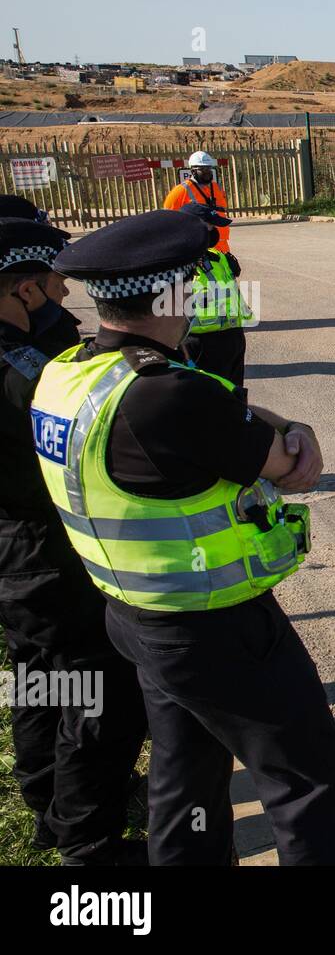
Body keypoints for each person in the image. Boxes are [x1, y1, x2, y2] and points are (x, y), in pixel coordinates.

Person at [33, 209, 335, 865]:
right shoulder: (167, 395)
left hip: (136, 615)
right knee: (309, 778)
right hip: (217, 625)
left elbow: (222, 414)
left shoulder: (68, 374)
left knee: (187, 782)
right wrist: (298, 427)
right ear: (178, 293)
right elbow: (295, 467)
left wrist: (248, 417)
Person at [0, 213, 148, 865]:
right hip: (42, 551)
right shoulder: (17, 367)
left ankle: (47, 808)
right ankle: (89, 850)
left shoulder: (23, 347)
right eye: (57, 285)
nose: (66, 297)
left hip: (18, 554)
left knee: (39, 679)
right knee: (99, 698)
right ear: (24, 289)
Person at [176, 202, 256, 385]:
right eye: (209, 227)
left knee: (235, 396)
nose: (213, 233)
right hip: (198, 342)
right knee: (208, 401)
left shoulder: (218, 257)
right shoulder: (174, 263)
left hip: (232, 336)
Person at [162, 151, 232, 254]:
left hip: (221, 244)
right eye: (203, 169)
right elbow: (167, 219)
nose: (207, 172)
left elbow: (222, 210)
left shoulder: (217, 187)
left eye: (208, 168)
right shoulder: (180, 191)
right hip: (199, 245)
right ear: (193, 171)